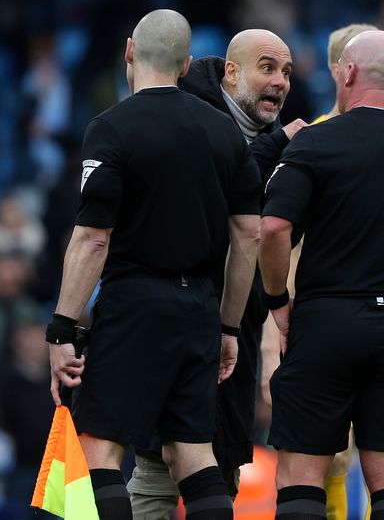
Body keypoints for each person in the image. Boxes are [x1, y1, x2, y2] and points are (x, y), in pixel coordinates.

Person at [45, 9, 261, 520]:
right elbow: (249, 235)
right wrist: (227, 325)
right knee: (191, 452)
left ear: (128, 52)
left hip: (135, 303)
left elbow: (93, 239)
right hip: (200, 308)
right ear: (187, 65)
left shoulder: (111, 128)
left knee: (99, 451)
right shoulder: (225, 133)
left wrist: (62, 327)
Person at [261, 21, 384, 520]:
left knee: (302, 476)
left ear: (347, 72)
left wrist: (276, 305)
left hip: (326, 322)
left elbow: (271, 229)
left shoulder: (313, 144)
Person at [126, 28, 307, 518]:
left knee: (222, 460)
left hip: (236, 326)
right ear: (230, 72)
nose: (280, 82)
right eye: (267, 68)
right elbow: (216, 187)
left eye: (287, 72)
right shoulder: (186, 112)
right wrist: (278, 152)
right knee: (157, 461)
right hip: (179, 311)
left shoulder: (270, 143)